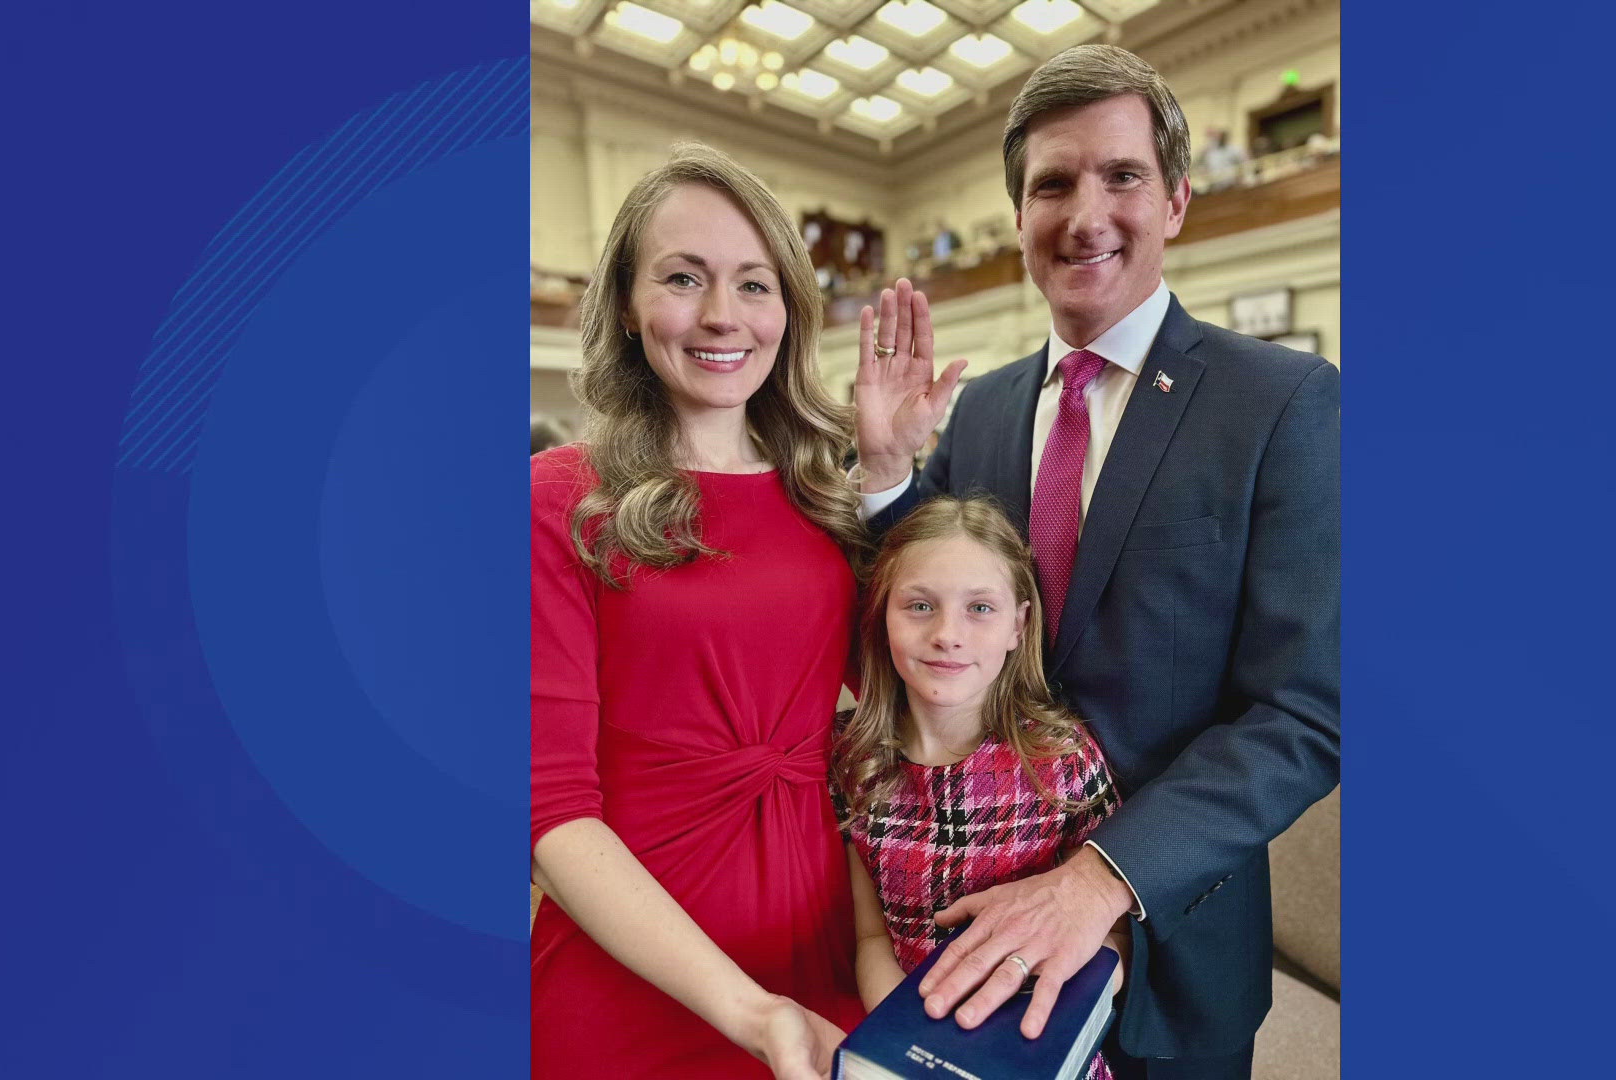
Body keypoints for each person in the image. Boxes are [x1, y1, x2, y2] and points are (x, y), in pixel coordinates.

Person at [852, 45, 1341, 1080]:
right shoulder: (978, 409)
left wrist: (1102, 877)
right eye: (1053, 184)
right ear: (1020, 214)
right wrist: (888, 474)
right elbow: (933, 603)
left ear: (1175, 200)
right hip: (977, 933)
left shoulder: (1284, 404)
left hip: (1176, 940)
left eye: (1121, 176)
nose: (1085, 215)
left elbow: (1306, 712)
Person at [530, 144, 868, 1079]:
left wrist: (888, 475)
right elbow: (550, 814)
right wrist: (749, 1013)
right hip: (641, 969)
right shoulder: (557, 499)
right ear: (630, 311)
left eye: (755, 284)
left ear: (788, 312)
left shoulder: (824, 500)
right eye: (684, 277)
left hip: (821, 945)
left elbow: (906, 697)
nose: (723, 315)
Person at [830, 496, 1127, 1080]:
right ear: (881, 614)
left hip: (1032, 1048)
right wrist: (904, 1047)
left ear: (1019, 625)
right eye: (919, 606)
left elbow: (1113, 936)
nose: (947, 634)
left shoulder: (1061, 758)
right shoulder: (853, 762)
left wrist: (1037, 1031)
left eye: (980, 609)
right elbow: (870, 935)